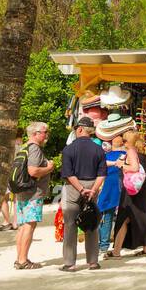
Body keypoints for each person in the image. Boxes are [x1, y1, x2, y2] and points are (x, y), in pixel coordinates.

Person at [60, 116, 107, 271]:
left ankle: (70, 263)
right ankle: (93, 262)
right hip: (93, 187)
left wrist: (81, 189)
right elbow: (102, 174)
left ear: (79, 129)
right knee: (91, 223)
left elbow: (68, 174)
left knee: (70, 225)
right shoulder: (98, 149)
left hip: (73, 188)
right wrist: (93, 190)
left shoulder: (68, 149)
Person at [112, 129, 146, 257]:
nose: (123, 142)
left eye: (124, 140)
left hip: (131, 190)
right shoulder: (142, 154)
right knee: (140, 217)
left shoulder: (131, 152)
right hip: (141, 189)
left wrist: (122, 165)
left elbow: (134, 168)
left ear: (129, 141)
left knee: (123, 218)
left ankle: (116, 251)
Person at [14, 122, 54, 270]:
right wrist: (49, 168)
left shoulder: (24, 147)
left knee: (23, 226)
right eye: (44, 132)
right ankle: (23, 260)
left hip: (22, 191)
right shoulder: (35, 149)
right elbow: (33, 171)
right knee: (29, 225)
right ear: (35, 133)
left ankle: (19, 258)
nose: (46, 135)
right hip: (33, 193)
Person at [98, 135, 126, 253]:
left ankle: (103, 245)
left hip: (106, 189)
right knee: (122, 218)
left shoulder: (104, 156)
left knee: (106, 216)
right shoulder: (126, 155)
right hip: (122, 189)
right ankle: (120, 243)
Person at [0, 136, 20, 231]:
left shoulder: (7, 146)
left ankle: (7, 221)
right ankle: (15, 222)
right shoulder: (21, 146)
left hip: (8, 174)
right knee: (15, 198)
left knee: (2, 198)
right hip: (18, 174)